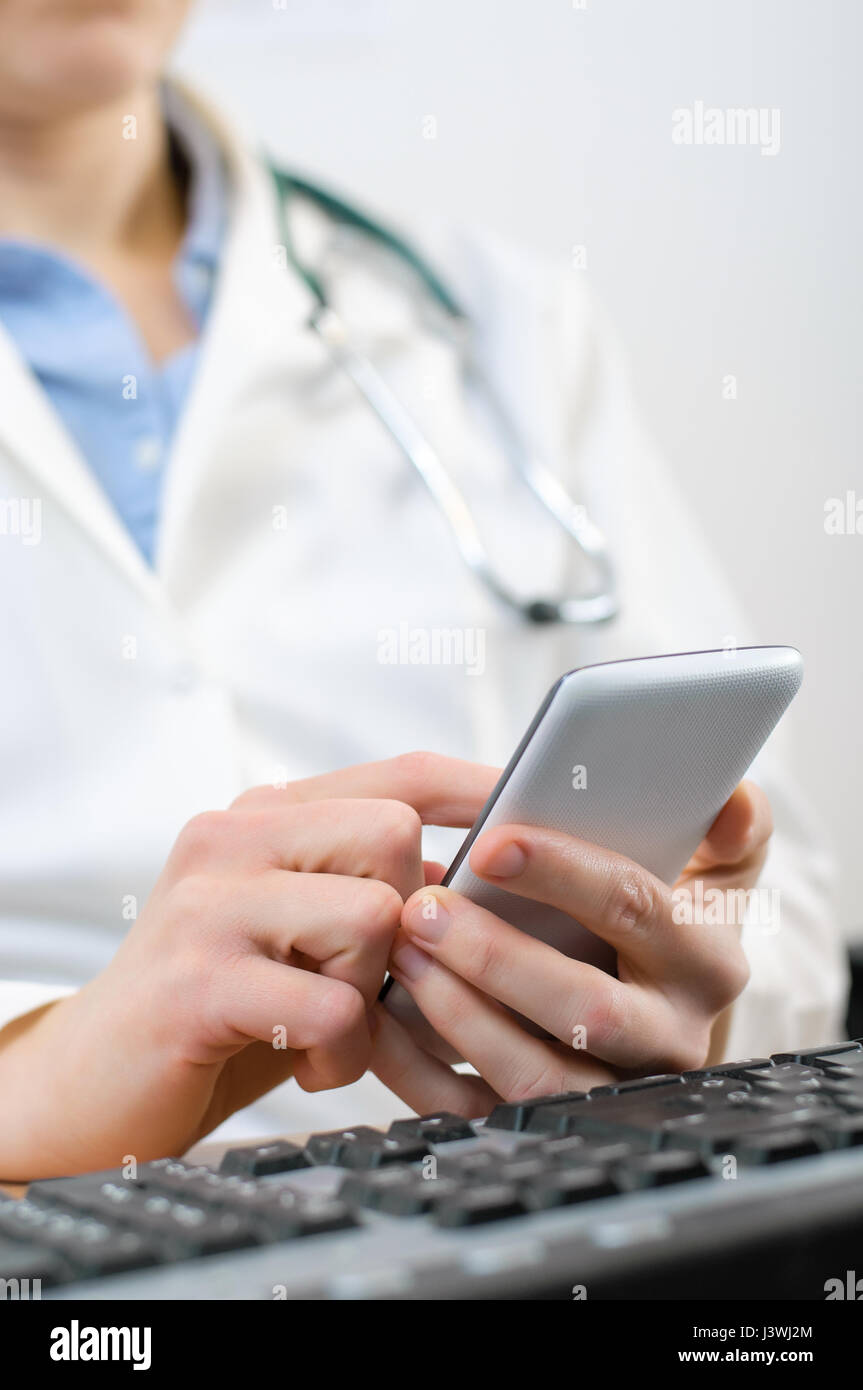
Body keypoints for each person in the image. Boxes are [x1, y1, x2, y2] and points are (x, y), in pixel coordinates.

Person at [0, 1, 847, 1180]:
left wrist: (682, 1000)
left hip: (528, 1223)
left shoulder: (494, 328)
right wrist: (31, 1083)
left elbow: (784, 912)